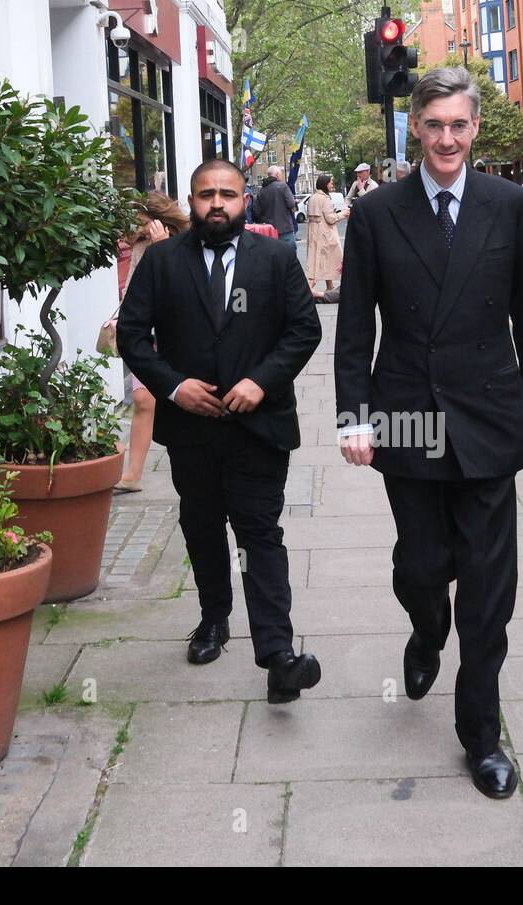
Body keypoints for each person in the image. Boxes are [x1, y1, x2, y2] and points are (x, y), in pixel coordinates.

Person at [335, 66, 523, 799]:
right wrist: (353, 414)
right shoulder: (376, 214)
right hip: (408, 411)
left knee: (490, 589)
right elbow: (354, 324)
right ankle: (425, 630)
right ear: (415, 129)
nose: (447, 139)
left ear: (473, 129)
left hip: (492, 412)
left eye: (460, 125)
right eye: (434, 125)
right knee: (422, 566)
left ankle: (481, 735)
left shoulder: (507, 203)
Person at [117, 158, 324, 703]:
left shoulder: (277, 258)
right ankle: (213, 620)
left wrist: (261, 380)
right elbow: (133, 336)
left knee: (260, 534)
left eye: (227, 194)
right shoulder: (162, 262)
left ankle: (278, 653)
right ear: (191, 200)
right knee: (203, 526)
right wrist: (173, 386)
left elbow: (305, 329)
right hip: (191, 429)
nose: (216, 204)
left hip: (260, 427)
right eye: (205, 194)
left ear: (244, 200)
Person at [108, 192, 189, 494]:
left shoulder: (179, 243)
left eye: (138, 222)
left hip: (171, 333)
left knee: (158, 403)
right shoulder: (135, 244)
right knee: (143, 401)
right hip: (144, 334)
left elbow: (181, 286)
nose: (133, 227)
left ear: (156, 219)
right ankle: (133, 475)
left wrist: (162, 247)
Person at [305, 174, 348, 301]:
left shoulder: (312, 198)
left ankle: (330, 288)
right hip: (325, 235)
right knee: (321, 263)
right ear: (325, 184)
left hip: (314, 233)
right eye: (330, 183)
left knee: (321, 261)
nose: (332, 185)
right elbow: (331, 218)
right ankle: (307, 291)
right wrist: (343, 214)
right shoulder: (325, 199)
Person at [253, 164, 300, 248]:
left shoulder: (262, 191)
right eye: (281, 174)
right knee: (289, 256)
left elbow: (256, 212)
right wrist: (294, 202)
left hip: (269, 230)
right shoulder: (283, 186)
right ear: (277, 174)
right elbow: (291, 204)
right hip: (285, 228)